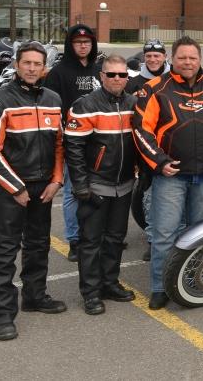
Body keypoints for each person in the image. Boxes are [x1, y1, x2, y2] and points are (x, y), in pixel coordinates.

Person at [133, 36, 203, 310]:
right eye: (182, 57)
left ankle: (192, 281)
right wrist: (159, 162)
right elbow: (141, 129)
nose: (188, 62)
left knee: (199, 234)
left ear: (200, 59)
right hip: (170, 176)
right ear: (173, 59)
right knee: (165, 235)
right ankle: (159, 288)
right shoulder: (154, 89)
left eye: (193, 57)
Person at [0, 42, 66, 340]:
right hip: (9, 189)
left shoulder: (54, 99)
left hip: (44, 187)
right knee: (4, 251)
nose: (31, 68)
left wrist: (56, 180)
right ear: (16, 64)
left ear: (44, 68)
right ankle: (1, 315)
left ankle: (34, 296)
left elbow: (58, 144)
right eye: (26, 63)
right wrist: (16, 187)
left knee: (39, 244)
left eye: (36, 64)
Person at [64, 55, 138, 315]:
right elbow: (73, 148)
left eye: (122, 74)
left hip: (125, 184)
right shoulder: (85, 105)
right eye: (111, 74)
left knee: (116, 239)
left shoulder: (133, 103)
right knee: (91, 241)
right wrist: (81, 186)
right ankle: (91, 292)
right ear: (101, 76)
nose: (117, 79)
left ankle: (109, 282)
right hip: (96, 184)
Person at [44, 24, 100, 263]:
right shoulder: (59, 72)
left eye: (87, 42)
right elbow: (50, 108)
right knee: (72, 192)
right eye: (78, 42)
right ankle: (75, 240)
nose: (83, 45)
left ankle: (98, 233)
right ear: (70, 45)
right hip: (72, 142)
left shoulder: (100, 70)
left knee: (100, 189)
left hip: (100, 141)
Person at [125, 39, 169, 261]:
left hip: (171, 149)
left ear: (164, 57)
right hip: (145, 150)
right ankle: (153, 240)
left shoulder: (173, 79)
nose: (153, 59)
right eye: (149, 55)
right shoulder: (134, 82)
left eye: (157, 55)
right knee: (149, 198)